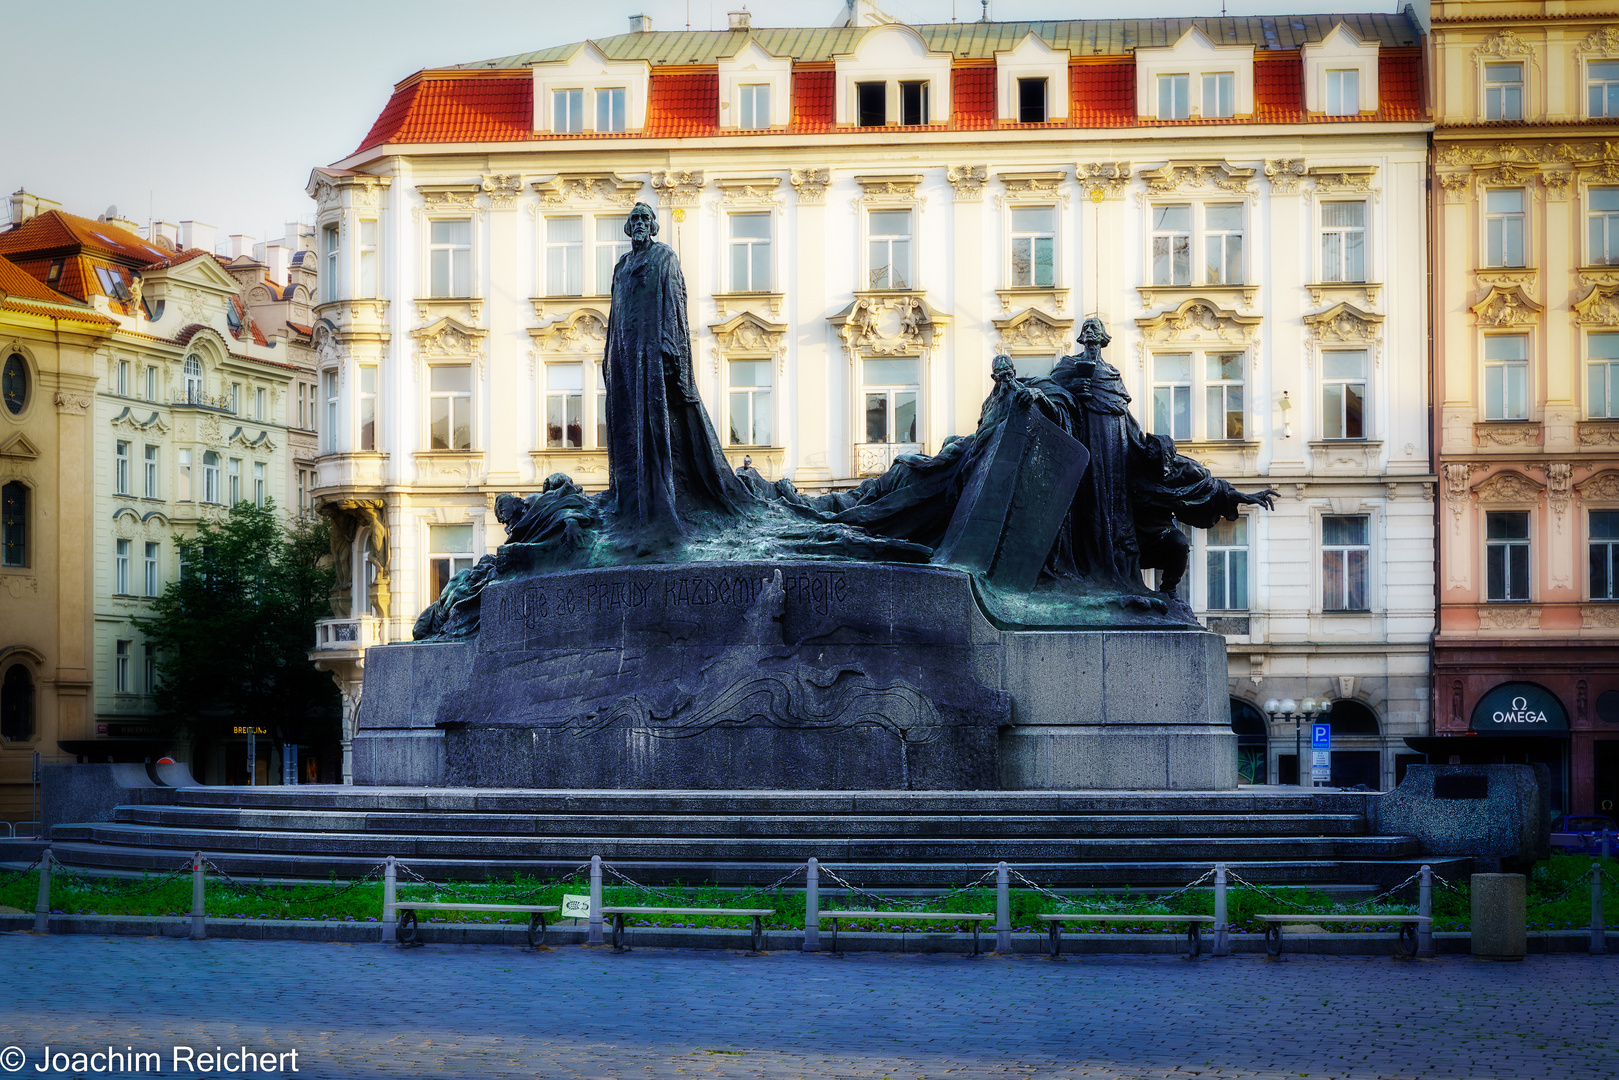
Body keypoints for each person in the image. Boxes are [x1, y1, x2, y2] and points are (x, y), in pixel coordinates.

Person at [603, 202, 751, 552]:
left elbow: (674, 303)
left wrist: (670, 349)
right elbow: (614, 313)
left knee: (658, 431)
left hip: (652, 356)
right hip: (626, 356)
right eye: (633, 219)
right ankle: (630, 509)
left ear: (653, 226)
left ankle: (661, 511)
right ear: (627, 228)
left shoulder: (664, 258)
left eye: (644, 219)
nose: (639, 224)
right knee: (628, 433)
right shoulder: (621, 267)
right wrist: (609, 357)